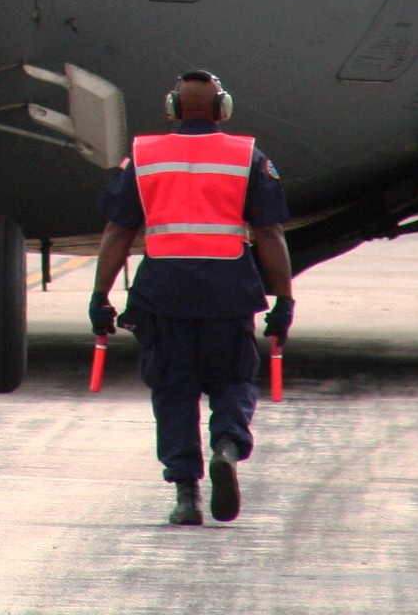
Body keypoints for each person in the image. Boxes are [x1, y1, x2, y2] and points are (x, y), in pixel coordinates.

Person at [89, 69, 293, 526]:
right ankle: (227, 446)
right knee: (234, 381)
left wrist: (100, 295)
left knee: (173, 391)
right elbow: (269, 233)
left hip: (163, 295)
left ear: (172, 108)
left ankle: (187, 496)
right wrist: (283, 300)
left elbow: (118, 232)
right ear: (223, 109)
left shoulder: (144, 157)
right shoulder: (247, 156)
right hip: (229, 293)